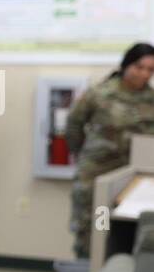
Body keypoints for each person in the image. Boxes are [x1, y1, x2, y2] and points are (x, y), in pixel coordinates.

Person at [64, 42, 154, 258]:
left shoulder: (152, 99)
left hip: (133, 181)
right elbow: (74, 125)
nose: (144, 74)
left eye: (150, 70)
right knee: (98, 230)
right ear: (126, 65)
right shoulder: (100, 93)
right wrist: (84, 154)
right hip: (100, 176)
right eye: (139, 67)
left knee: (128, 232)